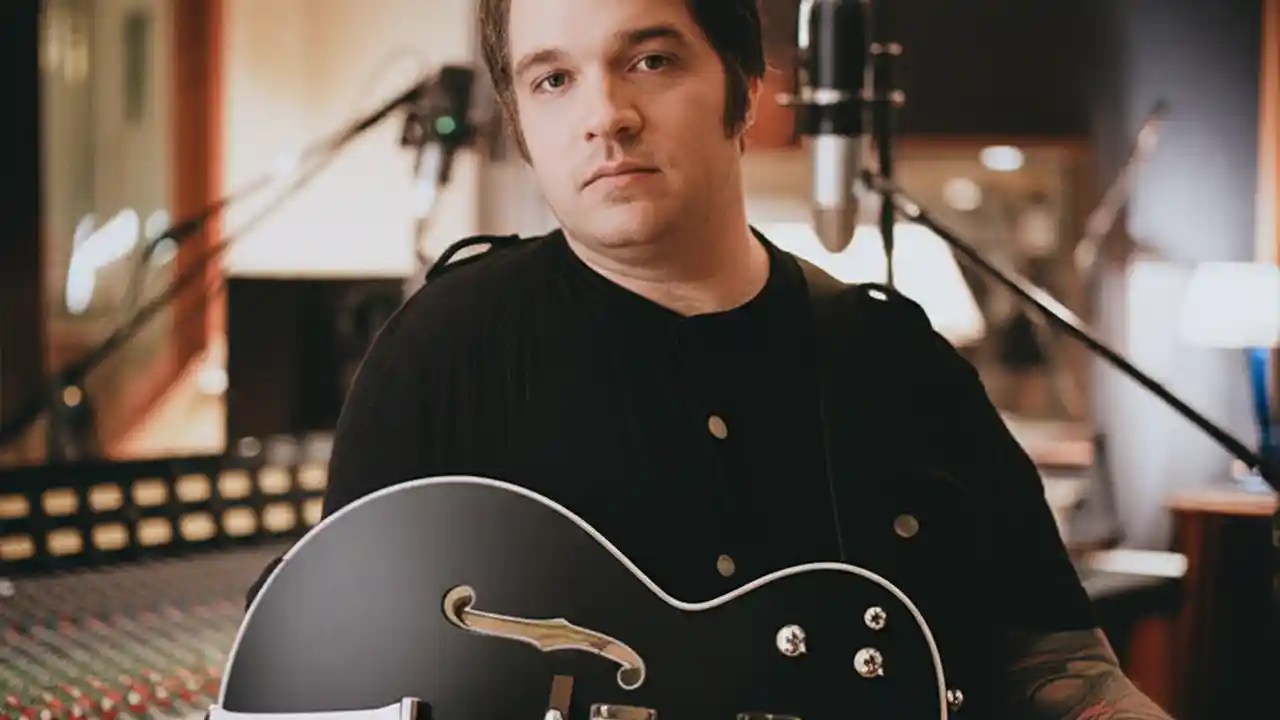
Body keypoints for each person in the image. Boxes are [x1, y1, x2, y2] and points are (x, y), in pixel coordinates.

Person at [251, 1, 1174, 717]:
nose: (606, 116)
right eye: (553, 79)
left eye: (650, 60)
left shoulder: (903, 365)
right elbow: (326, 667)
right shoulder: (440, 354)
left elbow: (1060, 666)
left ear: (747, 87)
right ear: (522, 124)